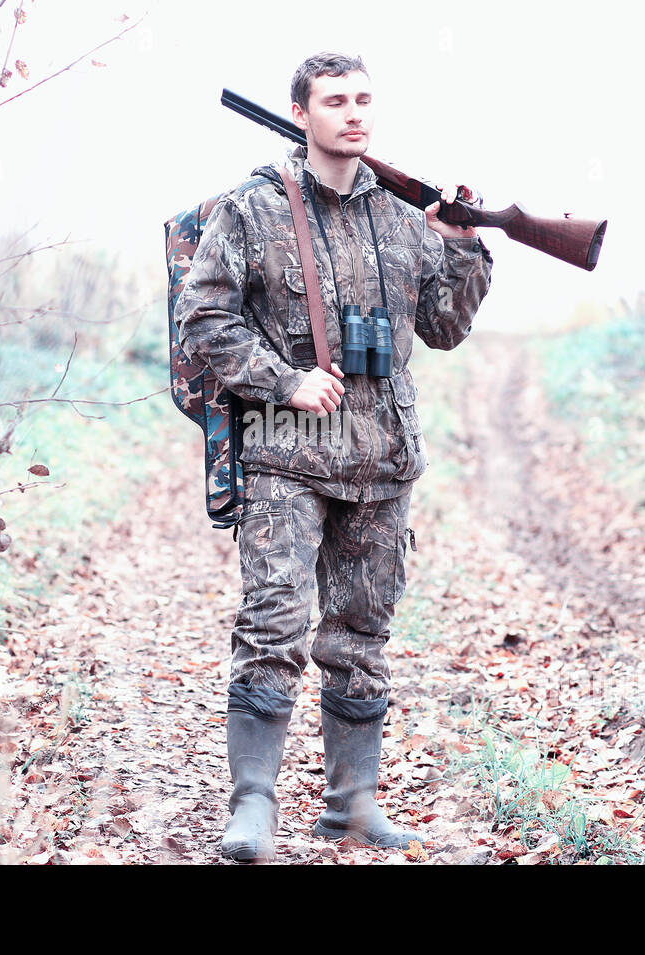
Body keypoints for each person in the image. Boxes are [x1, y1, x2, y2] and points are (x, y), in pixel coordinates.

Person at [174, 51, 493, 862]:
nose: (353, 113)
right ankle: (252, 808)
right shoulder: (253, 209)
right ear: (301, 113)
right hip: (288, 449)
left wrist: (463, 246)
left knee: (361, 632)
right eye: (335, 101)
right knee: (274, 621)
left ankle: (351, 808)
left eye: (363, 100)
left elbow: (446, 328)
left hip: (382, 456)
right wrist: (285, 380)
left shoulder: (399, 219)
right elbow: (204, 318)